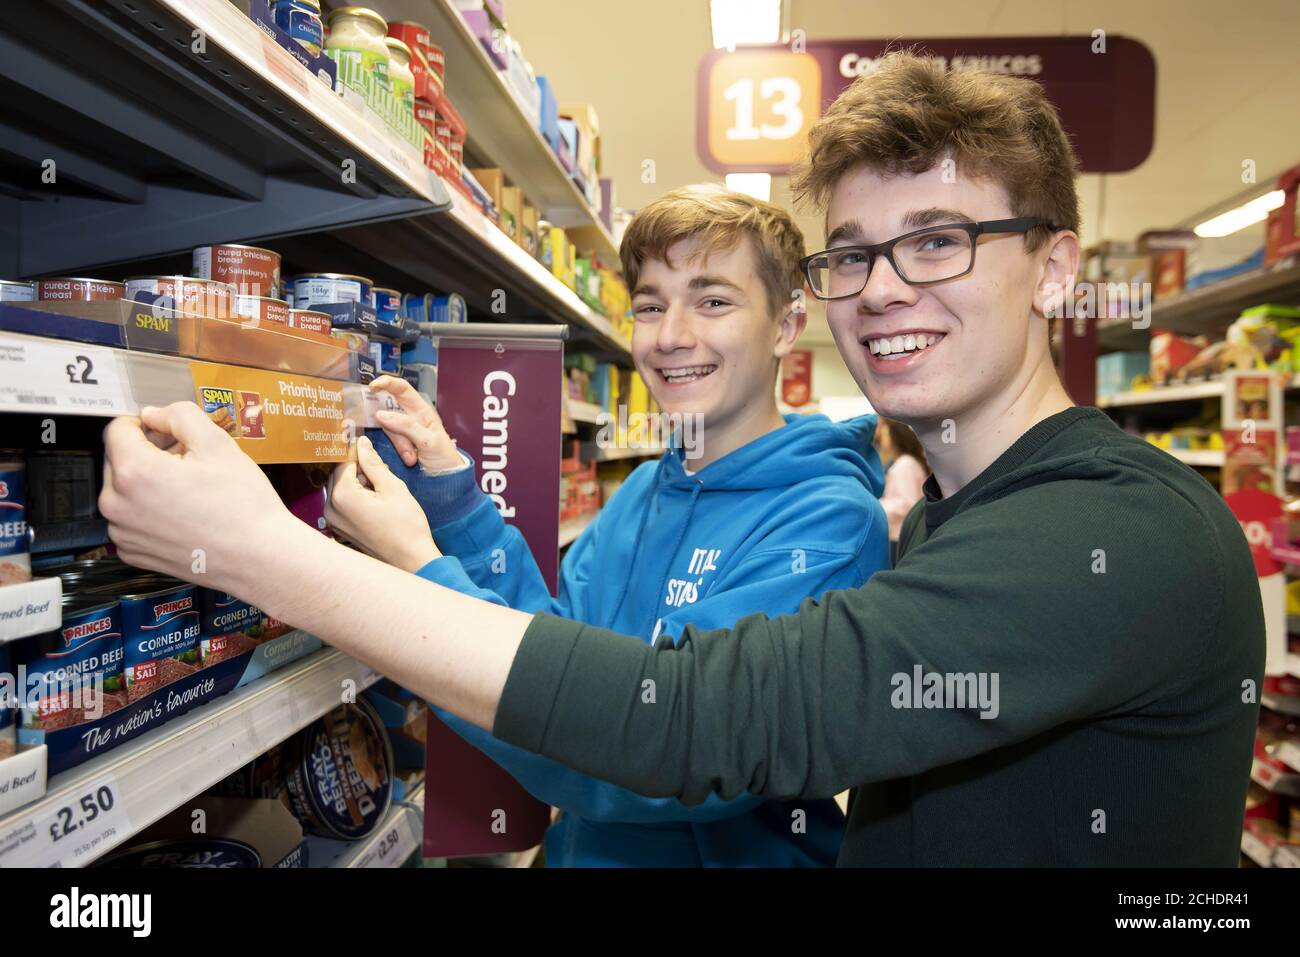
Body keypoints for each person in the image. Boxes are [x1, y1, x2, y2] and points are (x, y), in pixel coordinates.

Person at [100, 53, 1264, 866]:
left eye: (938, 242)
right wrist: (450, 501)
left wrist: (262, 553)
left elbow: (691, 726)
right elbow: (578, 650)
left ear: (1055, 270)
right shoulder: (950, 519)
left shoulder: (1113, 533)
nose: (883, 289)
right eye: (852, 254)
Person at [345, 185, 889, 867]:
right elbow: (548, 648)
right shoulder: (641, 491)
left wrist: (417, 569)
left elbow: (663, 759)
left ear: (785, 325)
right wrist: (451, 496)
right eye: (650, 306)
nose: (671, 336)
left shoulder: (830, 524)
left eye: (713, 302)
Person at [873, 418, 928, 548]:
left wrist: (876, 505)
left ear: (893, 433)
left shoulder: (905, 464)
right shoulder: (905, 462)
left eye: (883, 429)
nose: (879, 434)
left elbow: (908, 503)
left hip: (900, 535)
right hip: (900, 533)